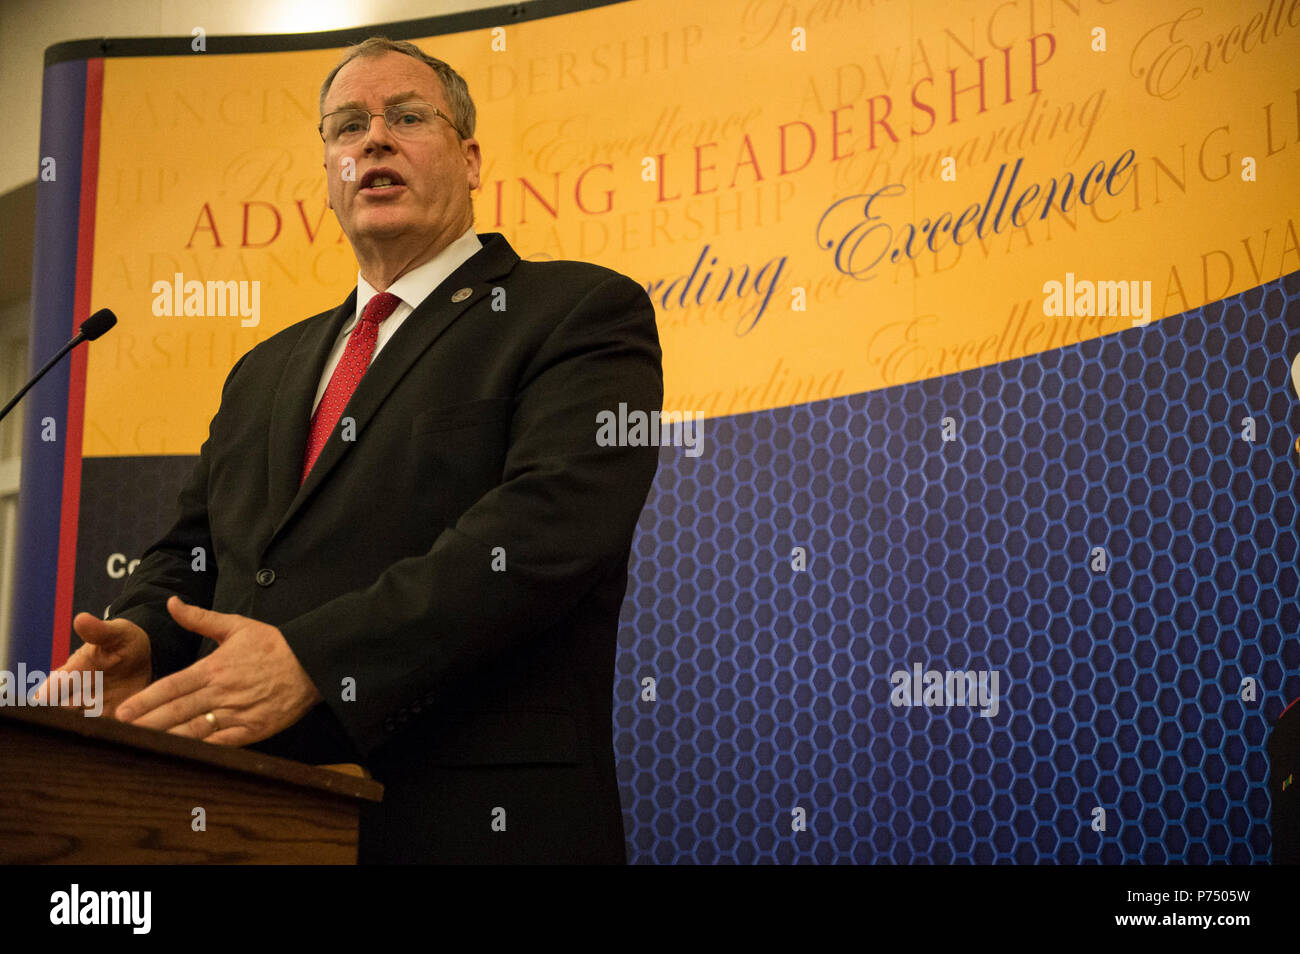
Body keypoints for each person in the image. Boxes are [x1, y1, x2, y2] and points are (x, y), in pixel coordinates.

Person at [43, 36, 663, 864]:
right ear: (331, 173)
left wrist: (316, 659)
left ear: (471, 159)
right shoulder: (264, 371)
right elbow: (194, 554)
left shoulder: (578, 312)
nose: (372, 140)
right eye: (347, 127)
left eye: (407, 117)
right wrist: (149, 637)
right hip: (254, 817)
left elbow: (546, 535)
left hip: (476, 817)